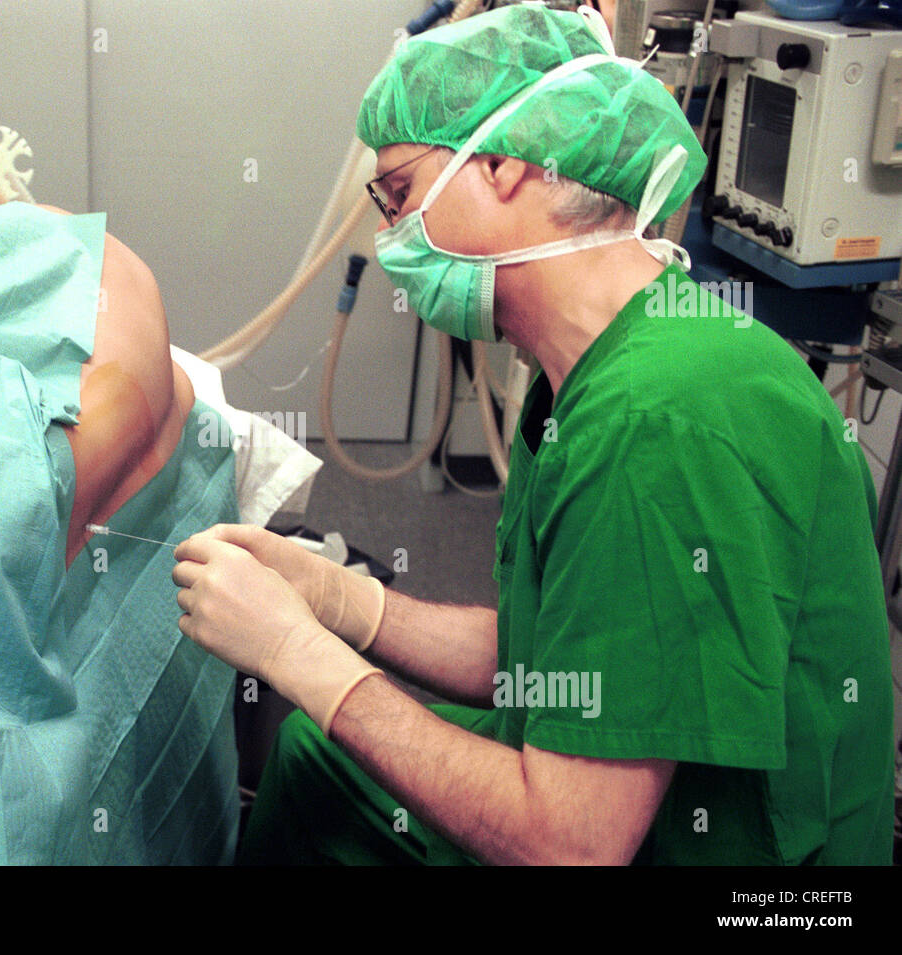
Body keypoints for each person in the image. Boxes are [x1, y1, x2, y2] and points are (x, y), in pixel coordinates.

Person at [171, 4, 894, 865]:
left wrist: (299, 658)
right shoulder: (598, 366)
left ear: (507, 164)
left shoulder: (657, 421)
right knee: (312, 759)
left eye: (399, 194)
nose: (391, 235)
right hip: (624, 788)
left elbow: (571, 845)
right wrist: (340, 604)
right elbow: (558, 661)